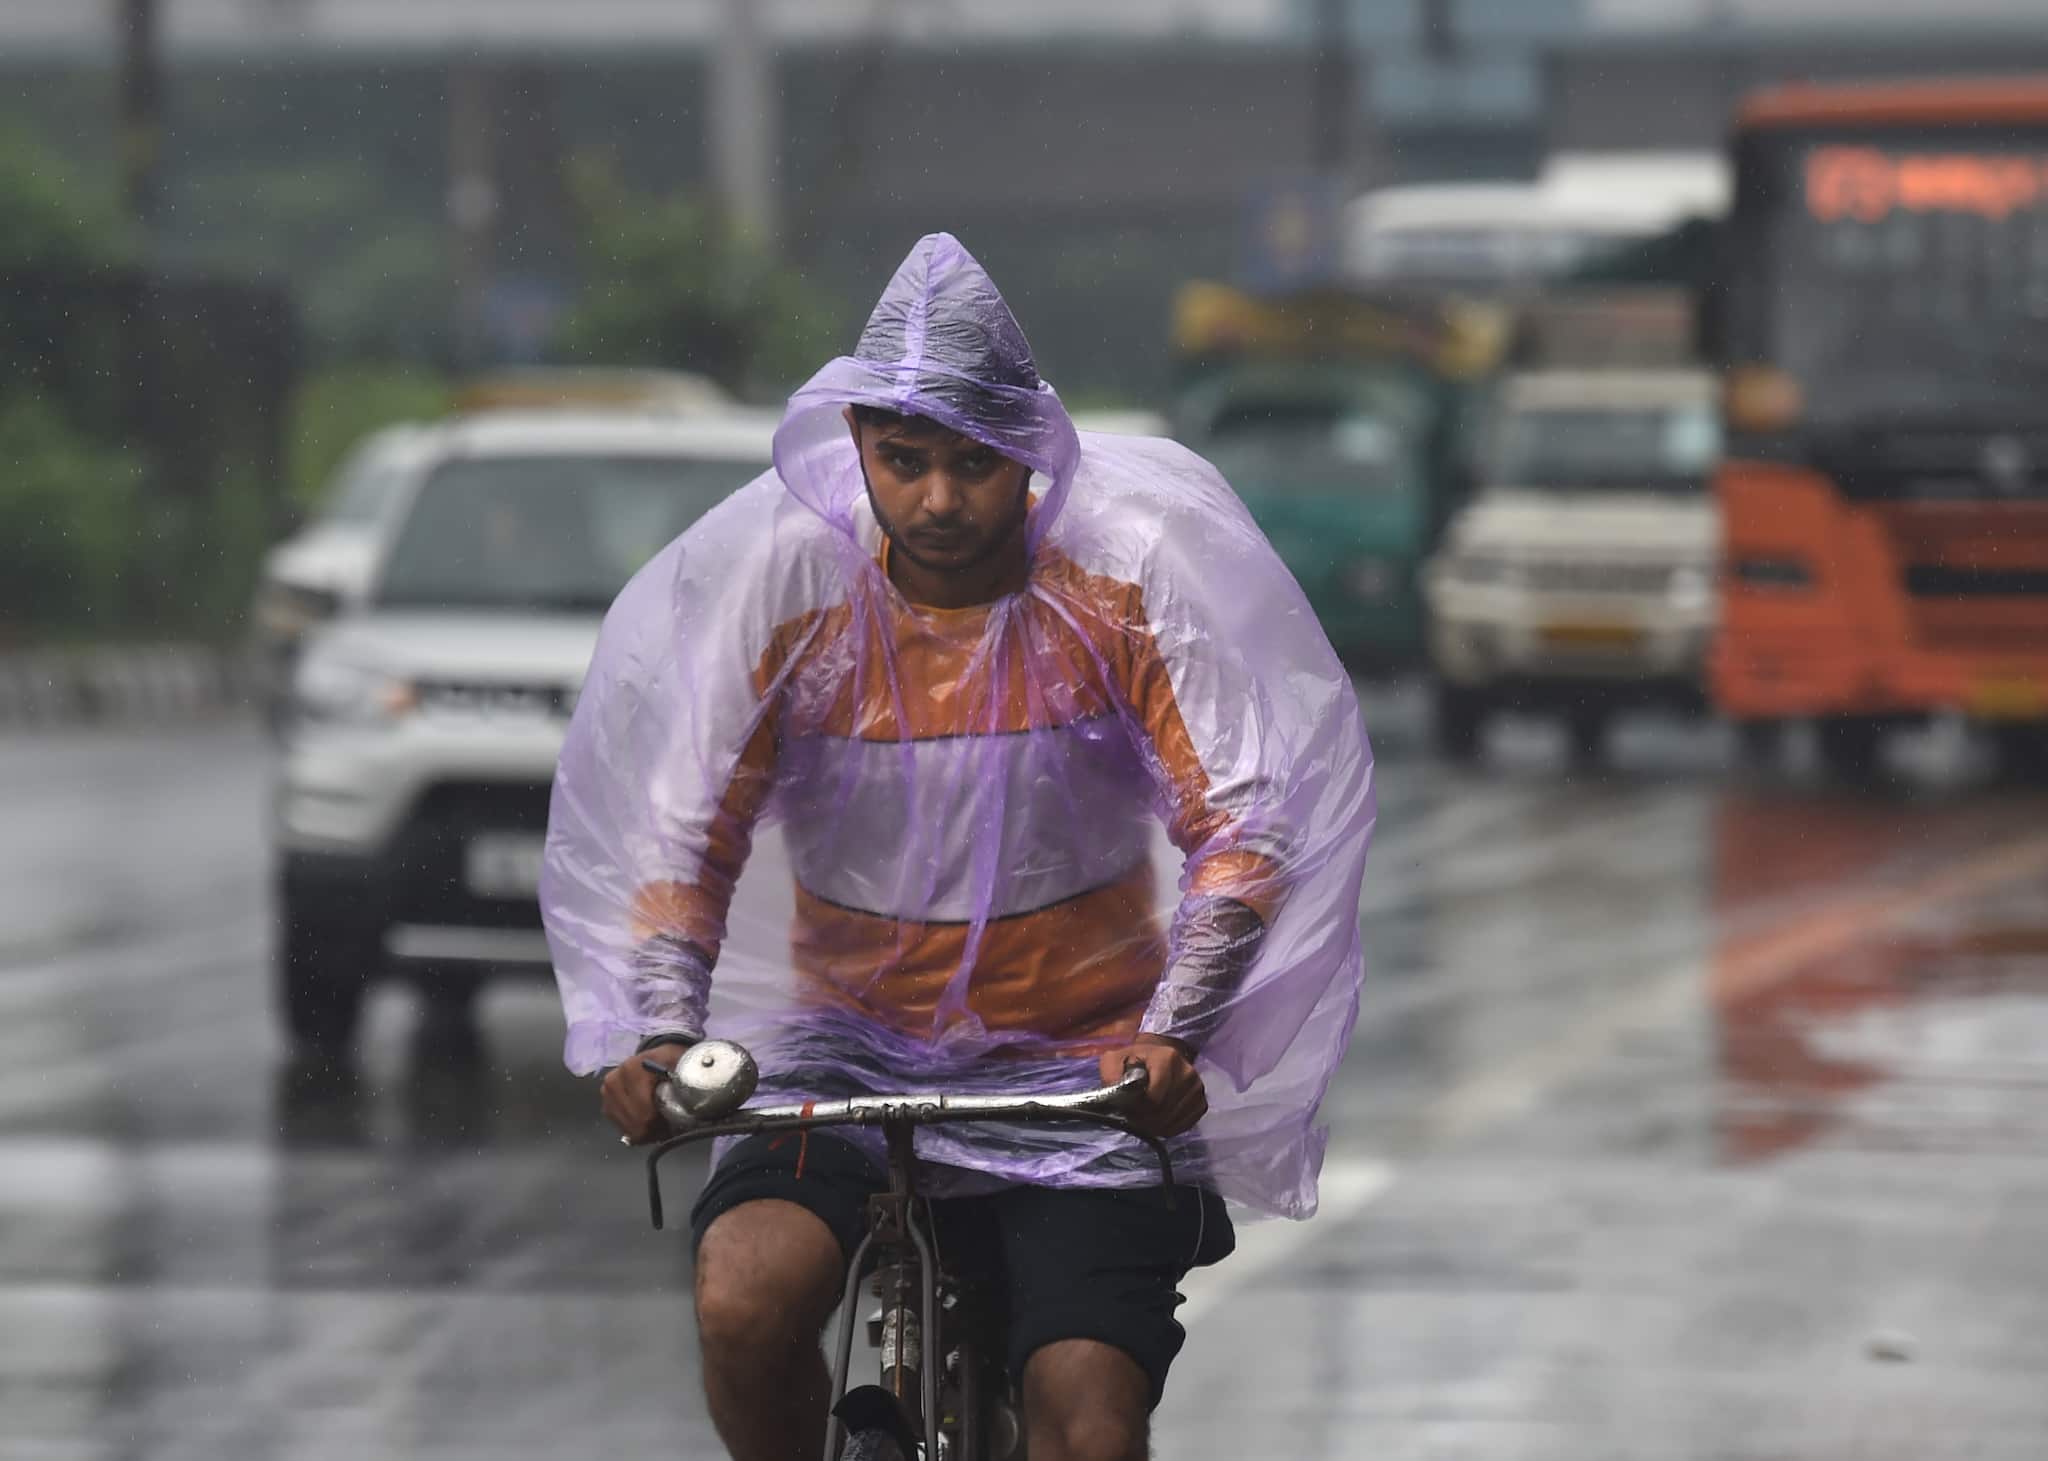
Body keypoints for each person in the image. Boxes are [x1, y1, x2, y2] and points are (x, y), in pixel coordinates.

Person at [541, 233, 1374, 1461]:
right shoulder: (792, 585)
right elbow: (679, 835)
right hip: (835, 1052)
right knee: (742, 1303)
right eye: (904, 460)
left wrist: (1171, 1037)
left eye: (976, 463)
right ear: (858, 449)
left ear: (1029, 455)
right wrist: (659, 1035)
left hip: (1086, 1066)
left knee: (1087, 1420)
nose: (939, 499)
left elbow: (1242, 830)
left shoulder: (1120, 582)